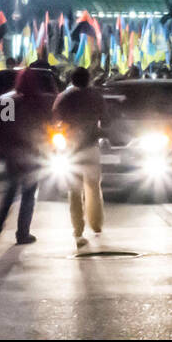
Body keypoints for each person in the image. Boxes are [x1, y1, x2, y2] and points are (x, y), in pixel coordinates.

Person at [0, 46, 56, 245]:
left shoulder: (8, 102)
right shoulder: (40, 103)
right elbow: (47, 129)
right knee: (28, 195)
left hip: (13, 153)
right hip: (33, 154)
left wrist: (2, 149)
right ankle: (22, 233)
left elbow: (3, 127)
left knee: (10, 191)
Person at [52, 66, 106, 248]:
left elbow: (54, 121)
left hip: (71, 148)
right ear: (88, 79)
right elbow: (107, 119)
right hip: (91, 146)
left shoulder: (63, 98)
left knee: (74, 191)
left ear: (72, 80)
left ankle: (78, 230)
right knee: (93, 187)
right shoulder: (96, 96)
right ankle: (96, 223)